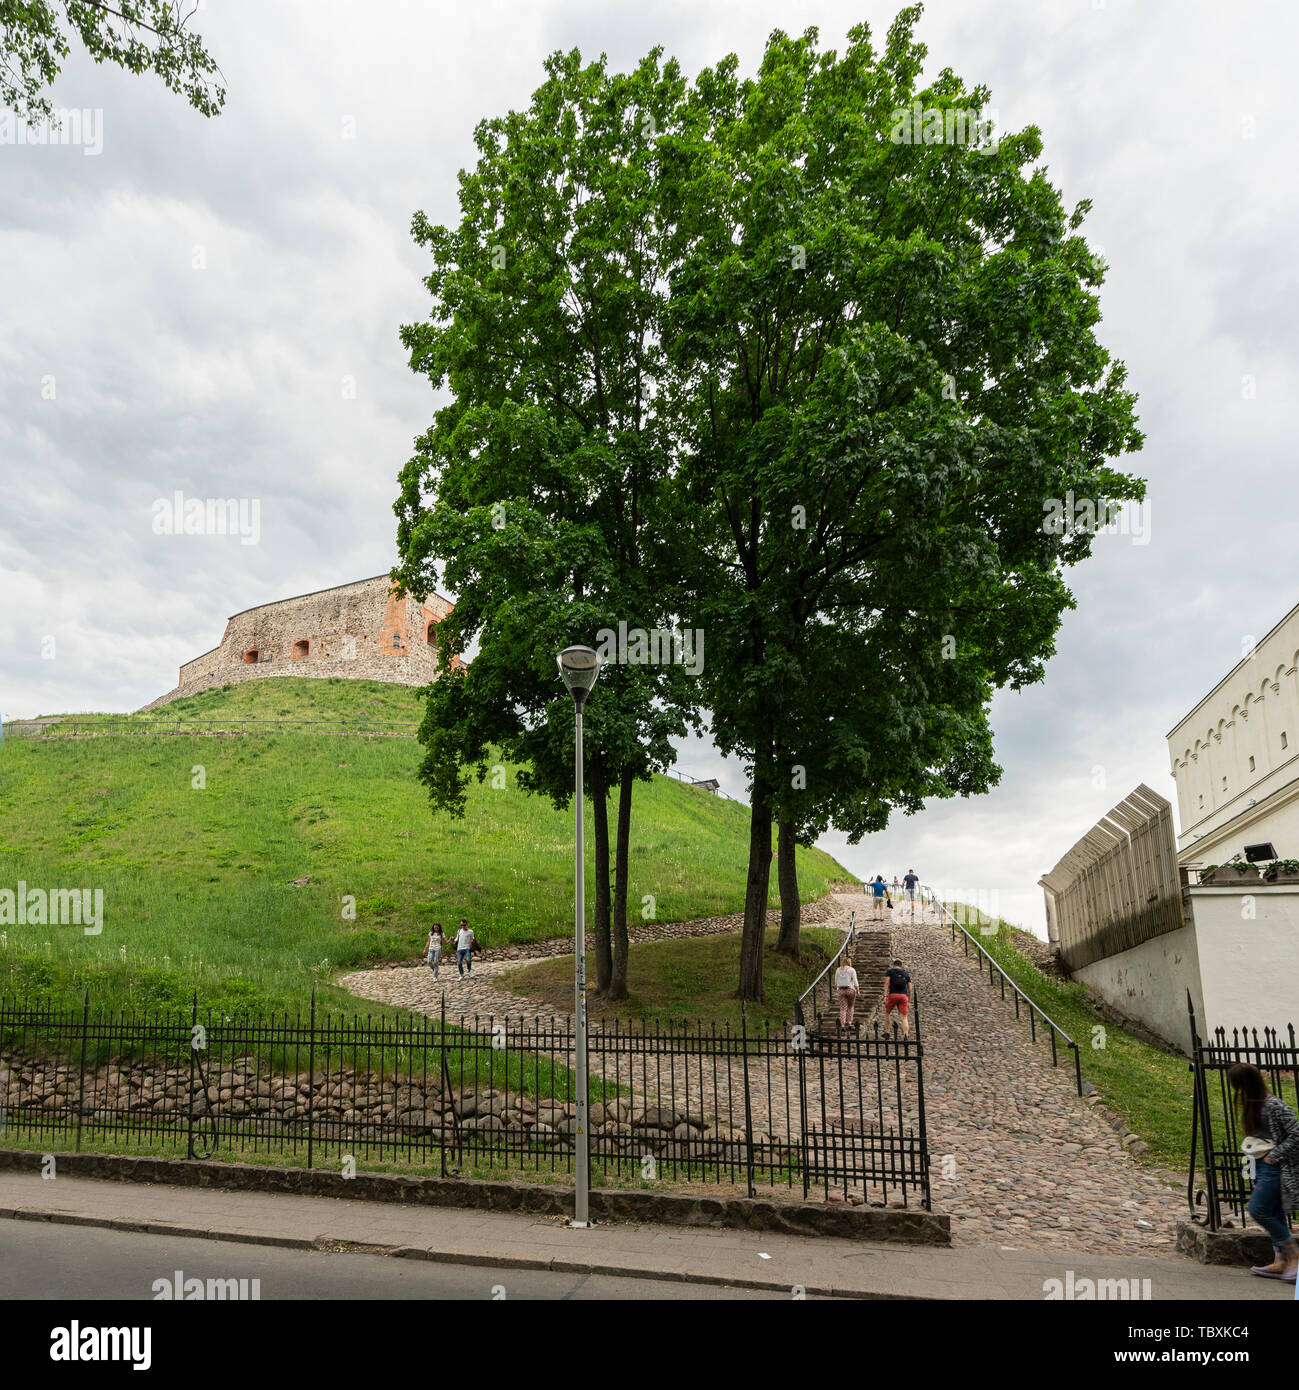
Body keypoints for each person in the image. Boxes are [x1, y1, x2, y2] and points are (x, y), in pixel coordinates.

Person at [1228, 1063, 1299, 1282]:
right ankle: (1280, 1261)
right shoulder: (1255, 1103)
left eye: (1239, 1086)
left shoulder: (1273, 1104)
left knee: (1257, 1209)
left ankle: (1293, 1253)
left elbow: (1296, 1133)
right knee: (1274, 1211)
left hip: (1274, 1165)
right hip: (1260, 1163)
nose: (1238, 1091)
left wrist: (1274, 1156)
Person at [884, 958, 913, 1039]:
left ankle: (887, 1032)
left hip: (893, 995)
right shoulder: (906, 974)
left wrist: (885, 995)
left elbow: (886, 984)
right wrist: (909, 1000)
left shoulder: (890, 972)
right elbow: (910, 989)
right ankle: (906, 1035)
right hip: (903, 996)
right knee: (904, 1017)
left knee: (887, 1012)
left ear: (894, 965)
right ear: (901, 966)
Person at [834, 952, 860, 1030]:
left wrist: (838, 989)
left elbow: (835, 982)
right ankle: (849, 1023)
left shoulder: (838, 970)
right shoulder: (851, 969)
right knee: (851, 1006)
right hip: (850, 990)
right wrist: (858, 990)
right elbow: (855, 981)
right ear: (849, 963)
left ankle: (842, 1025)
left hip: (841, 990)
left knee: (843, 1008)